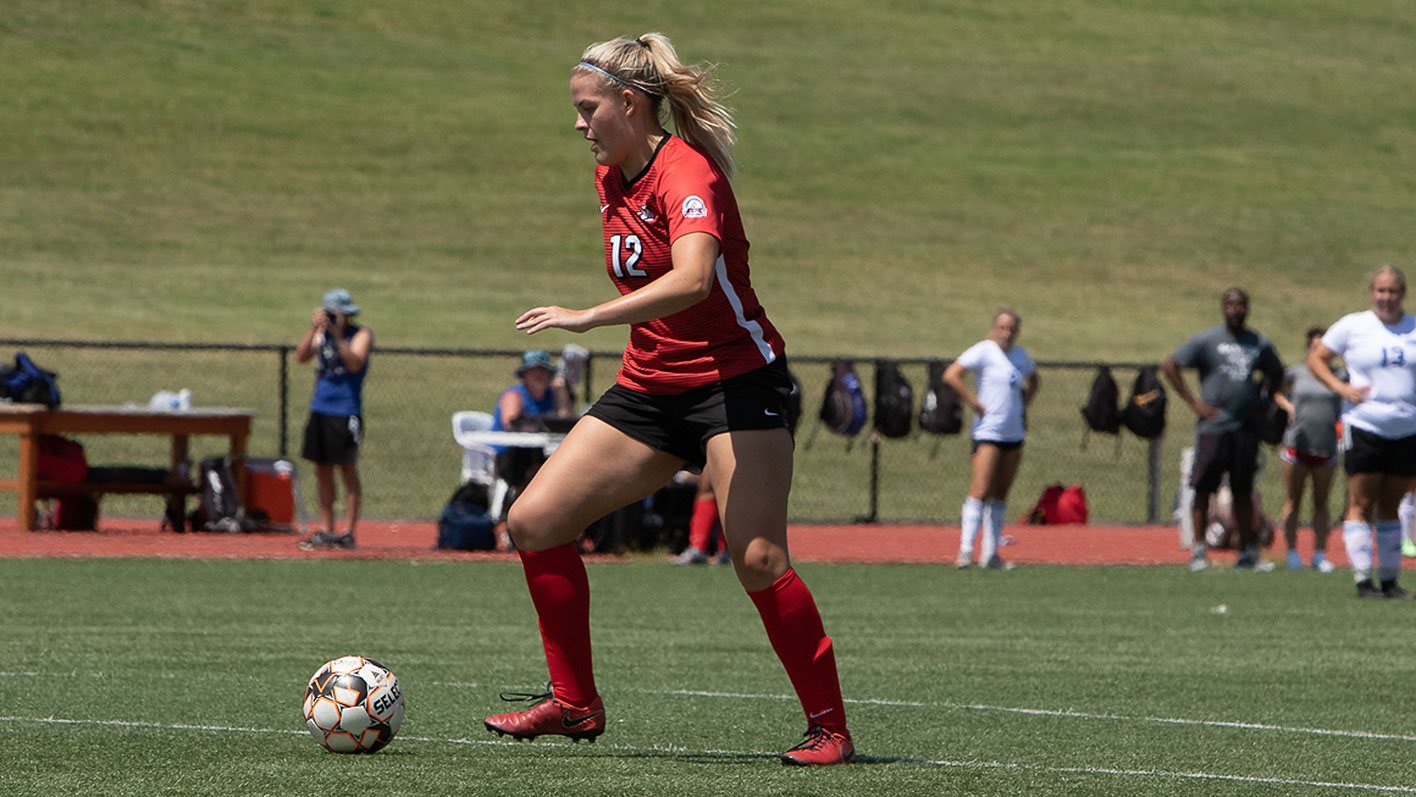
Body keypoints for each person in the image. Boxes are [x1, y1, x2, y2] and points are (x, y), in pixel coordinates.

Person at [481, 33, 854, 766]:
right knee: (533, 520)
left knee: (754, 554)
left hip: (736, 383)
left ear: (630, 102)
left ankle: (831, 729)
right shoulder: (611, 174)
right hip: (652, 386)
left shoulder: (686, 172)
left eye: (589, 110)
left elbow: (692, 279)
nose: (579, 124)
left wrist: (587, 317)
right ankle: (575, 703)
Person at [1307, 265, 1416, 599]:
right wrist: (1342, 388)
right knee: (1361, 502)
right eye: (1381, 291)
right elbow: (1317, 358)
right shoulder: (1354, 325)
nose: (1386, 297)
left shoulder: (1413, 327)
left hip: (1407, 427)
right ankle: (1362, 580)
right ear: (1371, 292)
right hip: (1366, 424)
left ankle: (1389, 581)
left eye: (1393, 291)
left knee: (1392, 504)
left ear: (1403, 293)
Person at [1162, 288, 1284, 572]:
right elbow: (1170, 364)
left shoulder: (1258, 343)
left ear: (1247, 308)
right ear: (1223, 307)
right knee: (1204, 488)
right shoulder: (1208, 340)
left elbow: (1277, 371)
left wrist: (1263, 401)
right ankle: (1199, 550)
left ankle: (1247, 552)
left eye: (1241, 304)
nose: (1235, 309)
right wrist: (1194, 403)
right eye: (1230, 304)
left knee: (1243, 490)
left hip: (1244, 428)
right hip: (1213, 427)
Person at [943, 308, 1039, 570]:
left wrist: (1024, 404)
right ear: (994, 328)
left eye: (1011, 329)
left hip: (1014, 433)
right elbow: (952, 374)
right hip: (988, 432)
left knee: (1000, 494)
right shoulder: (984, 351)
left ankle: (991, 554)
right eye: (1002, 328)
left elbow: (1035, 381)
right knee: (980, 490)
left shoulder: (1020, 356)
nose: (1006, 333)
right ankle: (965, 552)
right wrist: (974, 402)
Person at [295, 289, 373, 550]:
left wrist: (339, 336)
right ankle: (326, 529)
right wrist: (313, 328)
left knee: (347, 469)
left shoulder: (360, 335)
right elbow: (301, 356)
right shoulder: (321, 334)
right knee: (322, 470)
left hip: (346, 411)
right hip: (320, 409)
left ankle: (348, 531)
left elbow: (354, 363)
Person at [1272, 327, 1342, 573]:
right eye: (1314, 347)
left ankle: (1320, 553)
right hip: (1296, 445)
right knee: (1293, 500)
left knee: (1321, 502)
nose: (1319, 351)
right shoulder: (1296, 373)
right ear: (1308, 349)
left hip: (1325, 446)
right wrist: (1288, 406)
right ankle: (1292, 552)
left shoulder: (1339, 375)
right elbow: (1276, 391)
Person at [490, 350, 574, 502]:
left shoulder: (551, 396)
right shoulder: (514, 395)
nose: (540, 375)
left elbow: (566, 421)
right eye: (534, 371)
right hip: (510, 456)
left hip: (541, 452)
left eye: (544, 371)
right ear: (525, 374)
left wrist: (561, 392)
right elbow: (511, 422)